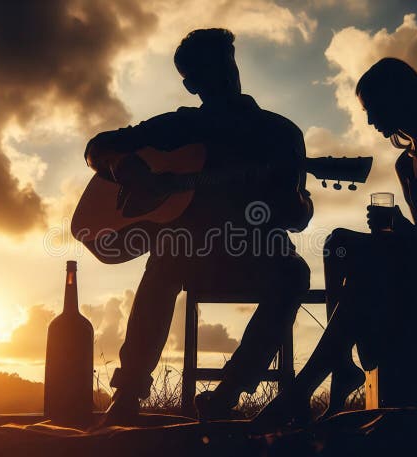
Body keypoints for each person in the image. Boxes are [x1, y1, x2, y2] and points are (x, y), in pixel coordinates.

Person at [254, 57, 417, 432]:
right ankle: (340, 364)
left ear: (399, 99)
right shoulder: (405, 163)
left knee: (367, 273)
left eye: (372, 108)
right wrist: (397, 229)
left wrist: (398, 235)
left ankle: (304, 389)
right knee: (338, 243)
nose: (369, 120)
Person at [83, 28, 313, 426]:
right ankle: (128, 393)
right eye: (208, 70)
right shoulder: (179, 128)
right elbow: (98, 146)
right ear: (192, 84)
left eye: (225, 63)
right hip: (190, 254)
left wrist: (295, 202)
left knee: (294, 272)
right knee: (168, 253)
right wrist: (125, 166)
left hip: (252, 251)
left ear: (235, 64)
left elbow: (297, 218)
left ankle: (226, 395)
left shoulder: (279, 133)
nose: (223, 75)